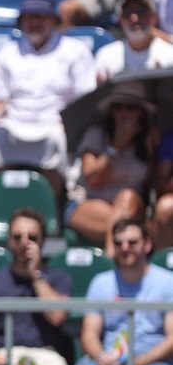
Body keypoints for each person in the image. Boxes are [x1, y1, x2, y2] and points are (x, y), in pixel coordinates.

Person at [0, 0, 96, 197]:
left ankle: (52, 206)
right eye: (30, 17)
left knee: (58, 140)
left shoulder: (75, 51)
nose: (35, 23)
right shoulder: (6, 53)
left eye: (41, 17)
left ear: (53, 20)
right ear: (22, 21)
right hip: (14, 121)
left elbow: (85, 98)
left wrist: (69, 124)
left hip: (56, 123)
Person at [0, 208, 72, 365]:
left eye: (32, 237)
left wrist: (36, 275)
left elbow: (57, 316)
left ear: (43, 241)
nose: (24, 242)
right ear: (9, 240)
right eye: (17, 237)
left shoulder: (59, 278)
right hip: (2, 353)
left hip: (44, 355)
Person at [71, 217, 173, 365]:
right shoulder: (100, 282)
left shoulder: (168, 282)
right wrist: (101, 357)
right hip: (108, 359)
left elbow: (172, 339)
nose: (125, 248)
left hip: (152, 361)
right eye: (118, 243)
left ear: (147, 244)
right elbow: (89, 333)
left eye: (132, 242)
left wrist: (137, 362)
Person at [67, 83, 155, 256]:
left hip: (131, 208)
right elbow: (93, 179)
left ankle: (114, 264)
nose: (124, 113)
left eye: (131, 108)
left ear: (141, 113)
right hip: (88, 204)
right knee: (127, 225)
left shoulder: (148, 142)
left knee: (126, 199)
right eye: (118, 107)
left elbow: (151, 185)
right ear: (111, 111)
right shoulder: (96, 135)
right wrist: (116, 147)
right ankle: (116, 265)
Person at [95, 0, 173, 82]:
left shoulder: (170, 55)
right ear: (120, 20)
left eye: (141, 12)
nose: (134, 18)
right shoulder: (106, 57)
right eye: (128, 13)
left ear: (153, 17)